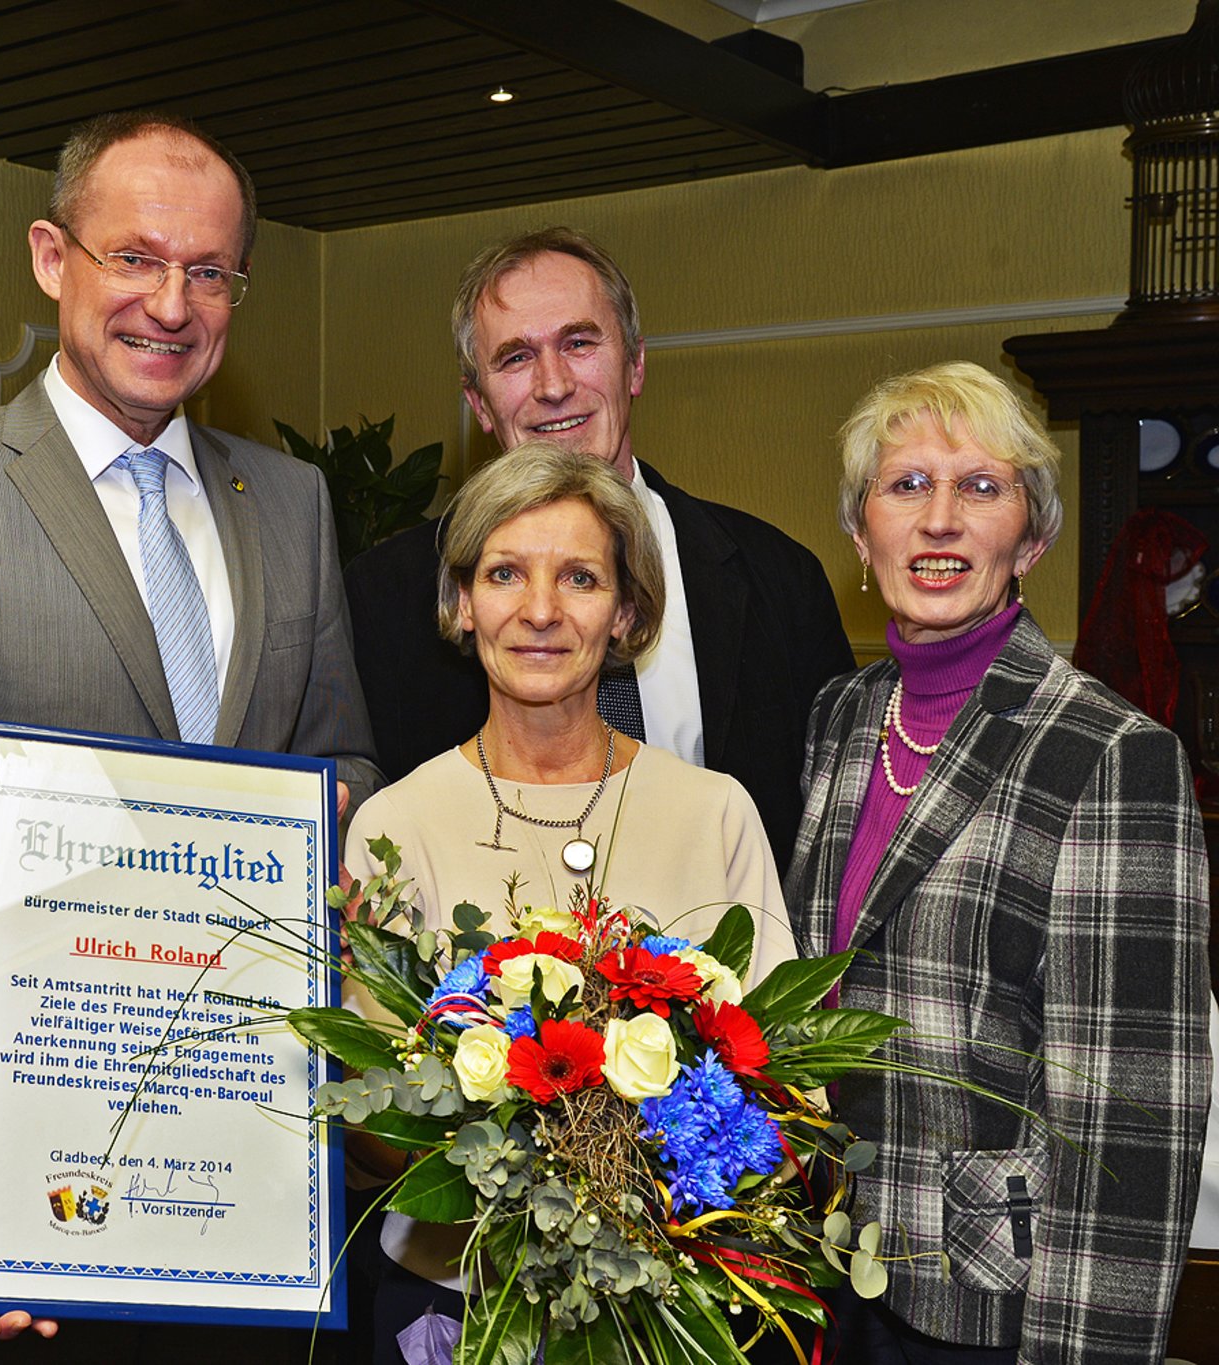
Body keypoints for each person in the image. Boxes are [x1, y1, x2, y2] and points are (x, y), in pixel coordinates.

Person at [0, 110, 380, 1360]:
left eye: (209, 271)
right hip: (13, 1168)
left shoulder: (287, 503)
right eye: (132, 258)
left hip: (238, 1166)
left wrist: (320, 832)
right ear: (49, 258)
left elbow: (341, 757)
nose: (169, 304)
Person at [786, 362, 1211, 1364]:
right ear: (859, 534)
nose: (937, 520)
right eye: (904, 486)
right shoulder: (839, 719)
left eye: (979, 487)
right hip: (819, 1277)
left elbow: (1129, 1130)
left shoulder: (1108, 754)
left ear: (1030, 537)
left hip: (990, 1307)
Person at [344, 441, 797, 1359]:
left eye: (581, 577)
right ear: (462, 603)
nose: (541, 610)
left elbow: (786, 1092)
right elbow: (367, 1128)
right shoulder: (396, 824)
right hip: (455, 1310)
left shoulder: (714, 812)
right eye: (505, 572)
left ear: (627, 611)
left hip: (676, 1309)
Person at [344, 228, 851, 870]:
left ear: (635, 364)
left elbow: (830, 840)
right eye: (515, 358)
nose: (553, 385)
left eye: (579, 343)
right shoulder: (387, 594)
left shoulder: (781, 578)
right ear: (477, 401)